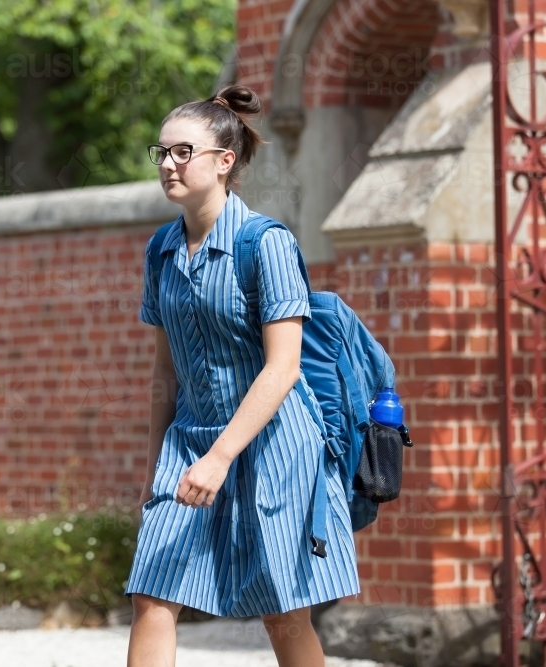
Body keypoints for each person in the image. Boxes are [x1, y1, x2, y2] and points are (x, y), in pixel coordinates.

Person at [124, 84, 360, 667]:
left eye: (184, 152)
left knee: (283, 612)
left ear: (224, 161)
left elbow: (283, 369)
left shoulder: (267, 245)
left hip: (274, 444)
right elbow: (166, 368)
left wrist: (223, 456)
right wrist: (159, 464)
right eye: (162, 153)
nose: (169, 165)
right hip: (190, 442)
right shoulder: (161, 251)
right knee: (152, 595)